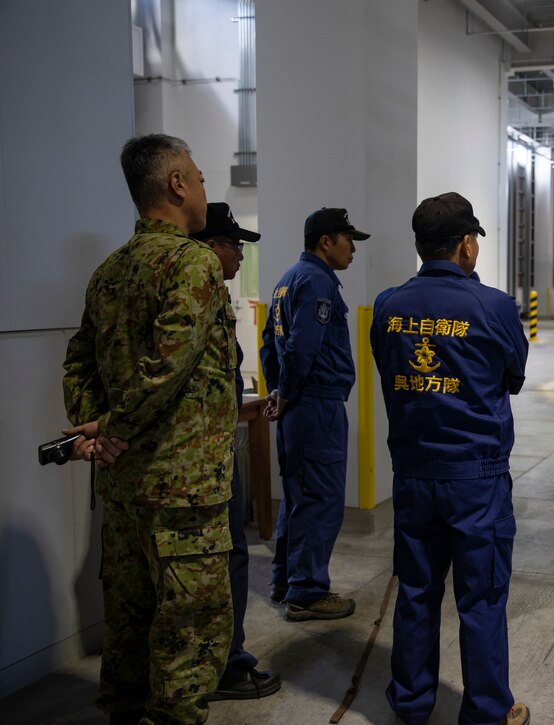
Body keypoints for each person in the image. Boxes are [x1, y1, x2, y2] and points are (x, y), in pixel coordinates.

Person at [62, 133, 234, 725]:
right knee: (190, 638)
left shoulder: (108, 272)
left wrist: (93, 432)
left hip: (122, 487)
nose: (206, 186)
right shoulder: (195, 262)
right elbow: (169, 366)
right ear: (177, 184)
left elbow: (78, 362)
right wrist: (106, 426)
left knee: (129, 630)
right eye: (200, 176)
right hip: (182, 492)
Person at [370, 192, 530, 725]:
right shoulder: (496, 306)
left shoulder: (389, 306)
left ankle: (412, 705)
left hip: (413, 475)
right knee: (480, 599)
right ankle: (486, 711)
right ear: (466, 244)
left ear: (421, 246)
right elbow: (512, 378)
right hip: (476, 479)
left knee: (416, 591)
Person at [191, 202, 282, 700]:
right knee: (227, 561)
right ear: (210, 247)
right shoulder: (196, 292)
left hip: (201, 453)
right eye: (234, 245)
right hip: (205, 459)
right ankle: (225, 665)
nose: (241, 256)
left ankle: (217, 662)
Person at [260, 207, 369, 621]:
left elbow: (270, 341)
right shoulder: (319, 281)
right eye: (348, 239)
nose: (353, 248)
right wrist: (287, 393)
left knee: (298, 496)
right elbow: (302, 346)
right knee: (321, 500)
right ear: (326, 241)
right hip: (315, 404)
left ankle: (287, 580)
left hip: (296, 405)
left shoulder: (287, 280)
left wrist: (277, 391)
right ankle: (307, 592)